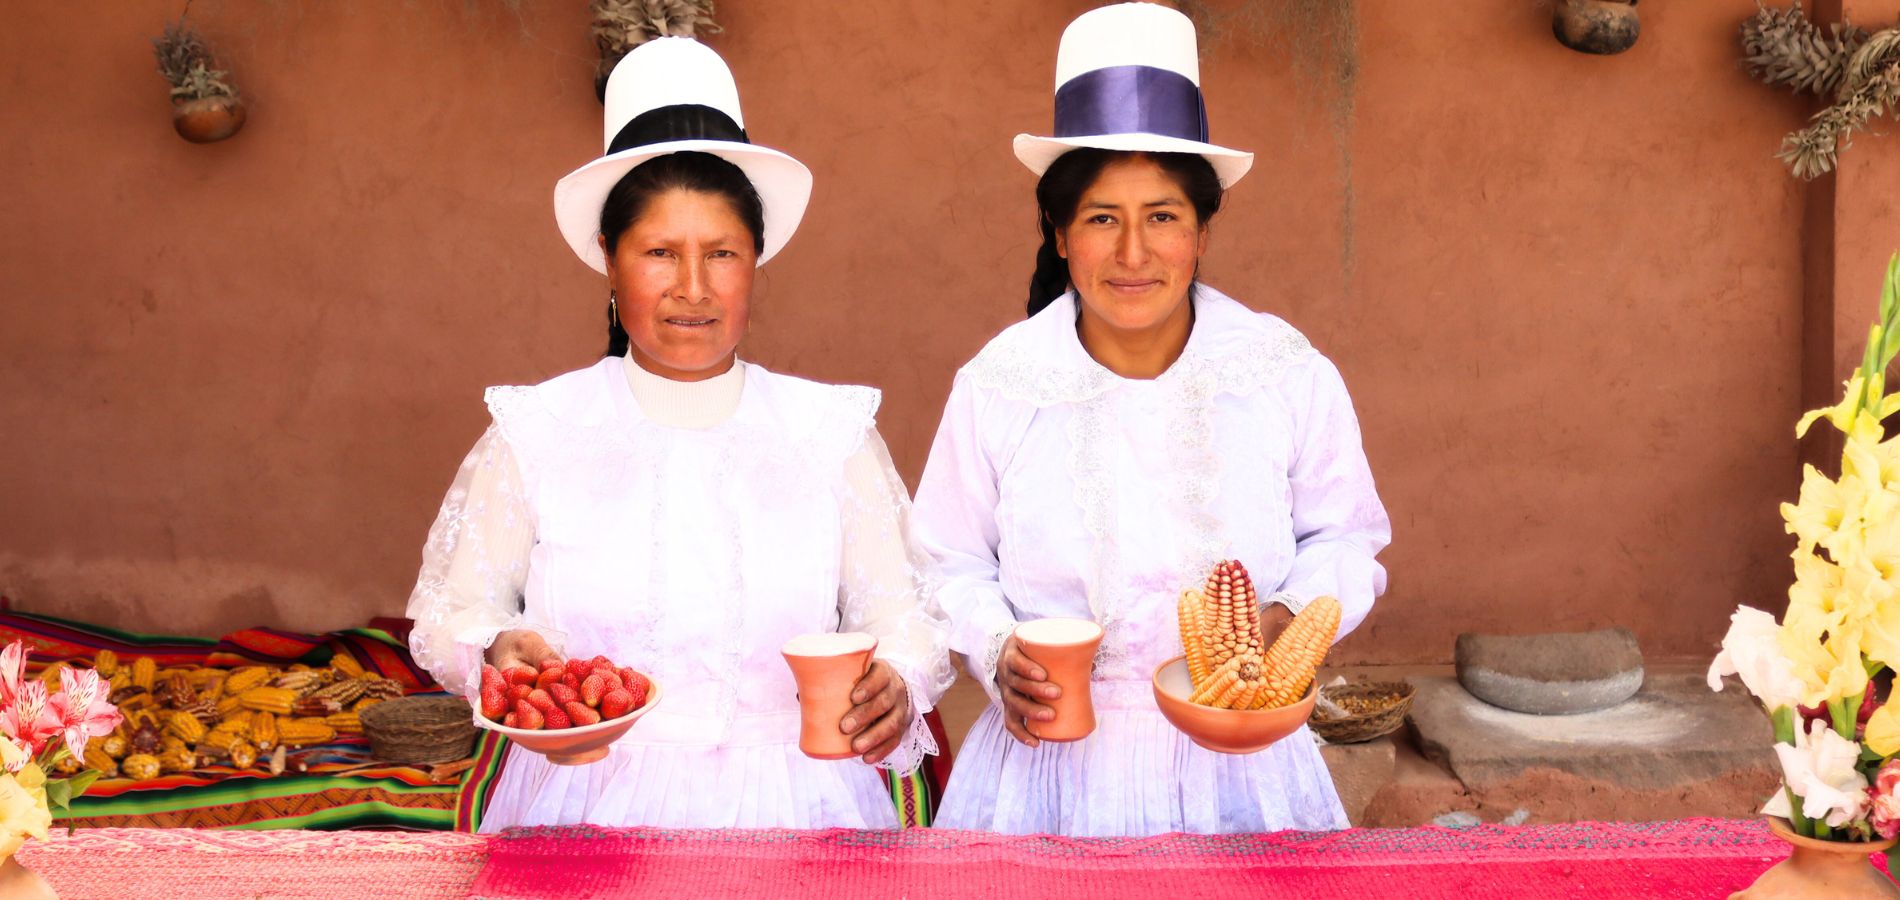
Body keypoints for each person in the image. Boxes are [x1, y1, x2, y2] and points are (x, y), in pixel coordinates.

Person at [404, 37, 952, 831]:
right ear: (608, 258)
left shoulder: (826, 434)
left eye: (721, 253)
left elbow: (904, 616)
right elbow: (453, 609)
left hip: (799, 806)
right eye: (660, 253)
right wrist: (496, 647)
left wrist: (896, 677)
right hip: (582, 807)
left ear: (756, 259)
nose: (692, 289)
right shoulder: (541, 432)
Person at [916, 3, 1391, 836]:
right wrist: (998, 650)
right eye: (1103, 218)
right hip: (1046, 773)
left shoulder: (1282, 372)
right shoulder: (1002, 384)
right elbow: (946, 560)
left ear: (1203, 230)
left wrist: (1287, 621)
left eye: (1163, 217)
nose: (1133, 254)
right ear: (1060, 235)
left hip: (1241, 759)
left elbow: (1347, 538)